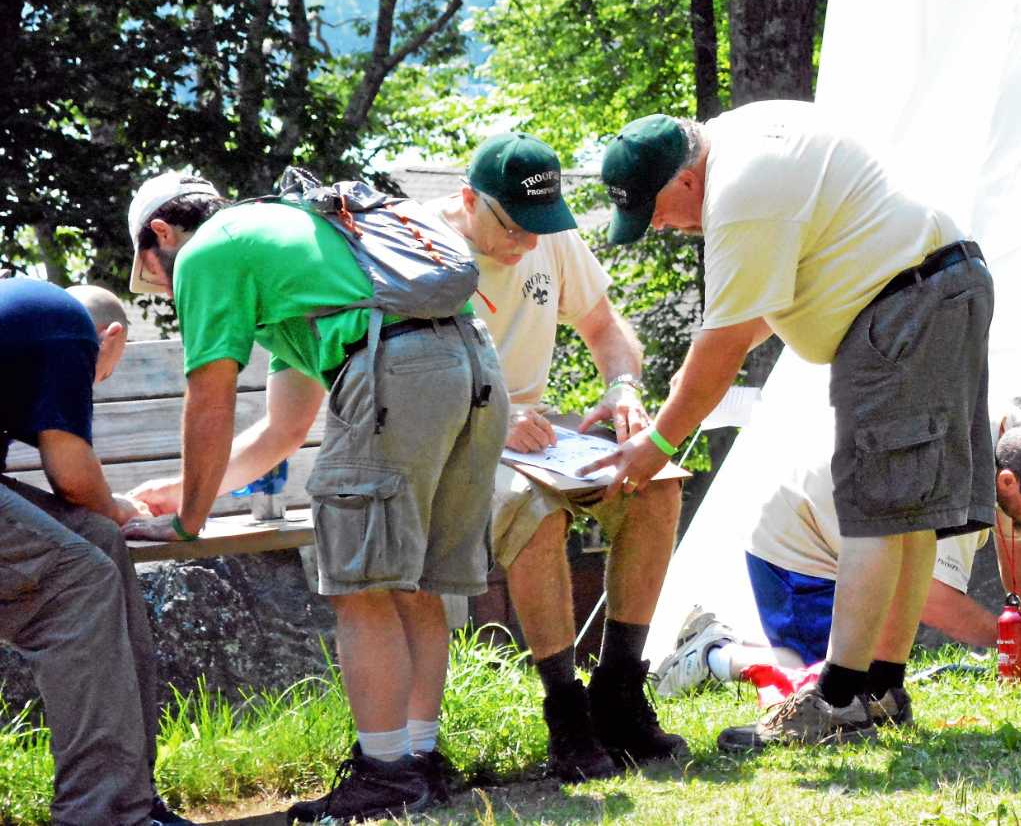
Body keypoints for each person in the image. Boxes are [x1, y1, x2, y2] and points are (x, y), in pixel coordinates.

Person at [583, 104, 994, 750]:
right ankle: (881, 688)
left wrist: (655, 443)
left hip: (899, 308)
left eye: (657, 210)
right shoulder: (748, 137)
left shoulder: (738, 193)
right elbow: (751, 324)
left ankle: (835, 701)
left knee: (873, 513)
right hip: (944, 285)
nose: (660, 226)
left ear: (686, 180)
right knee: (909, 512)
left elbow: (721, 344)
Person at [122, 171, 509, 821]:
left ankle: (386, 776)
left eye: (152, 276)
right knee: (410, 582)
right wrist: (191, 490)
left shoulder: (209, 251)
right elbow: (285, 429)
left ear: (160, 234)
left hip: (395, 369)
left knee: (361, 583)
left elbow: (208, 396)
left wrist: (189, 521)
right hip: (469, 362)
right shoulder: (292, 243)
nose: (164, 290)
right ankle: (420, 761)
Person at [437, 132, 683, 779]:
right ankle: (566, 715)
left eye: (538, 230)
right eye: (515, 229)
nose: (526, 245)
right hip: (453, 436)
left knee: (655, 482)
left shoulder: (548, 234)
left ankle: (620, 694)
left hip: (539, 433)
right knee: (533, 507)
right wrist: (492, 410)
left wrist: (624, 387)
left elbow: (606, 329)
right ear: (468, 200)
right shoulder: (424, 244)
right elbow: (405, 375)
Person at [658, 418, 1021, 701]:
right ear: (1008, 482)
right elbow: (931, 600)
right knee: (820, 691)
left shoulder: (1015, 438)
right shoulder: (958, 489)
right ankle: (714, 651)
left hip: (857, 540)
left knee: (863, 686)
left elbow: (1020, 537)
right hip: (800, 549)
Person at [0, 278, 192, 826]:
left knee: (96, 540)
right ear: (113, 338)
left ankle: (131, 795)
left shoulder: (25, 321)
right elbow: (73, 477)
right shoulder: (66, 328)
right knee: (79, 580)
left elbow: (84, 507)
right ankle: (101, 816)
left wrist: (111, 516)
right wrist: (127, 509)